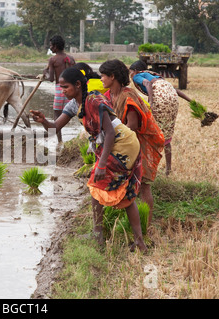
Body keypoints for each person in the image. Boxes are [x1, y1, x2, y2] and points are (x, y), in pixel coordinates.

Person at [31, 67, 147, 252]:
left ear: (78, 85)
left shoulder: (94, 100)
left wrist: (101, 164)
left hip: (122, 144)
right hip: (113, 145)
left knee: (98, 187)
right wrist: (43, 120)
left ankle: (100, 235)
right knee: (119, 194)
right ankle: (130, 240)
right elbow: (54, 128)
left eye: (65, 87)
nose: (62, 91)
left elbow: (109, 133)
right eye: (60, 88)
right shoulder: (73, 104)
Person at [99, 59, 165, 227]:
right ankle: (129, 223)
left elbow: (132, 126)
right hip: (124, 143)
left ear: (112, 77)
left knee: (142, 185)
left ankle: (146, 225)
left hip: (137, 143)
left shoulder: (127, 96)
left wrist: (113, 139)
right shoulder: (109, 96)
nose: (101, 80)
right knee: (126, 184)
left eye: (103, 76)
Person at [129, 60, 192, 176]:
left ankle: (148, 167)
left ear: (136, 71)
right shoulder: (156, 77)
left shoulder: (137, 76)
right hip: (172, 100)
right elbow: (175, 91)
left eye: (131, 72)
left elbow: (147, 84)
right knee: (166, 134)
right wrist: (191, 101)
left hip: (160, 100)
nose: (130, 76)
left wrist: (151, 101)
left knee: (150, 132)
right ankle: (168, 169)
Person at [43, 35, 76, 143]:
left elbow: (51, 79)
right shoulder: (71, 59)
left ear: (56, 47)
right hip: (74, 89)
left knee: (57, 115)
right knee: (78, 111)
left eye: (51, 46)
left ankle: (59, 141)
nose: (51, 48)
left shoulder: (53, 59)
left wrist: (45, 73)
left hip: (60, 90)